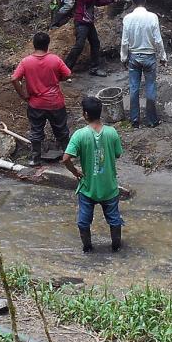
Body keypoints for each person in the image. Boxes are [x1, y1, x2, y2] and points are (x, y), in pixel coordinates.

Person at [62, 96, 124, 254]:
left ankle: (88, 249)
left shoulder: (79, 135)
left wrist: (75, 172)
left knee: (83, 222)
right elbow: (117, 154)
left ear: (85, 114)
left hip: (88, 188)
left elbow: (66, 158)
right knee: (114, 220)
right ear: (100, 112)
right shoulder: (112, 132)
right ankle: (116, 248)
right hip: (109, 187)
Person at [11, 32, 73, 167]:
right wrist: (58, 78)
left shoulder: (26, 61)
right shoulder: (55, 60)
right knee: (61, 130)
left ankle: (35, 158)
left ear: (34, 45)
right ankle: (68, 156)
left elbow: (14, 79)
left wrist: (23, 95)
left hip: (36, 104)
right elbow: (68, 74)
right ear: (47, 44)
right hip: (55, 102)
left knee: (36, 130)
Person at [120, 0, 166, 129]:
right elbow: (158, 40)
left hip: (134, 56)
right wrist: (162, 56)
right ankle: (152, 120)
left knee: (134, 88)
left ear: (132, 2)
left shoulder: (127, 18)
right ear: (145, 1)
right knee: (150, 87)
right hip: (149, 56)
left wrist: (124, 58)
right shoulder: (152, 17)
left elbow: (124, 41)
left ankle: (135, 120)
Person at [65, 0, 120, 77]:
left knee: (95, 43)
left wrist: (111, 0)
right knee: (79, 45)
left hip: (88, 21)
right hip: (81, 20)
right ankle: (65, 69)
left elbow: (97, 2)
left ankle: (94, 68)